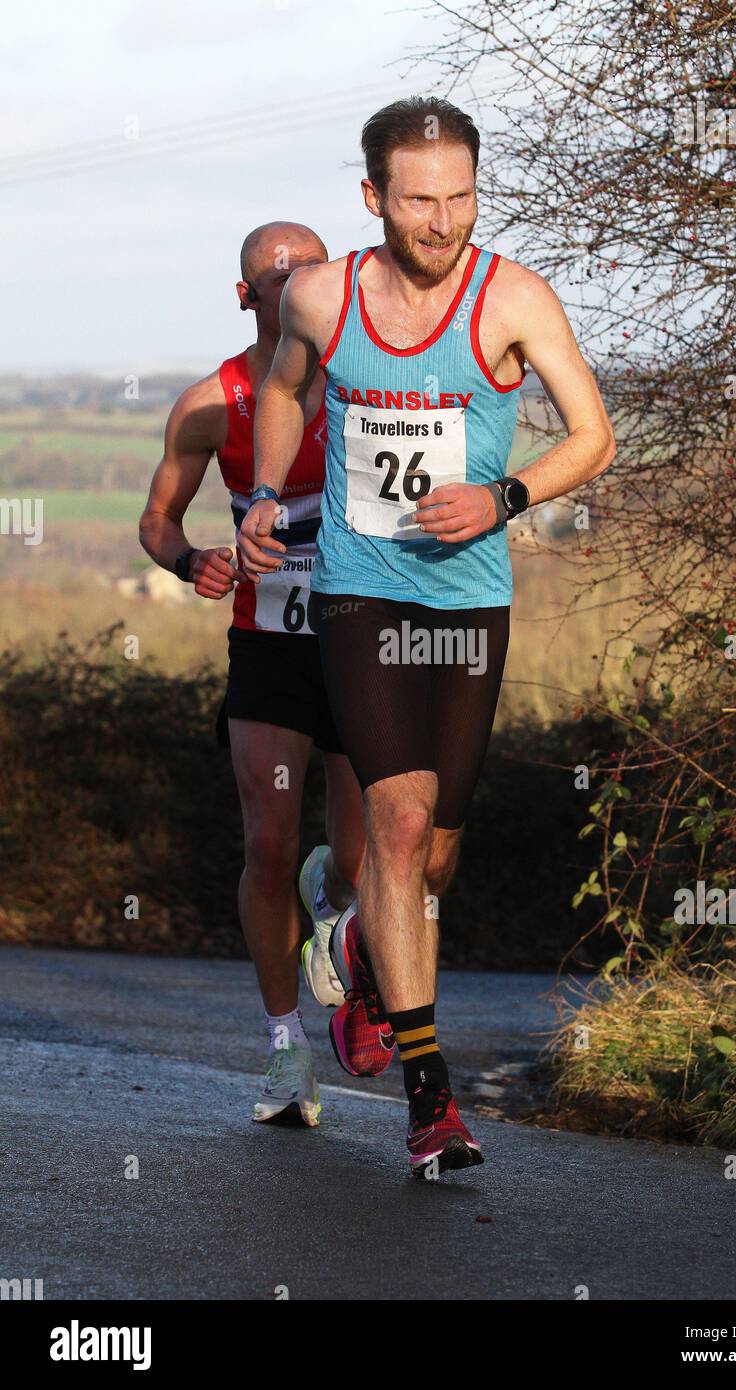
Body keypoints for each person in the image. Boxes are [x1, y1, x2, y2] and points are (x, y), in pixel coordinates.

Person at [238, 100, 616, 1176]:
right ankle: (429, 1101)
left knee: (435, 855)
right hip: (361, 591)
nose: (442, 220)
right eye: (418, 200)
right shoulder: (323, 294)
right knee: (396, 827)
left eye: (459, 196)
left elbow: (592, 434)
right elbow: (283, 386)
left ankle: (359, 937)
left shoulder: (512, 298)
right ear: (373, 199)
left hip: (467, 598)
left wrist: (502, 495)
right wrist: (264, 492)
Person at [139, 221, 368, 1130]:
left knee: (356, 863)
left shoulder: (362, 385)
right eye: (276, 273)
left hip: (358, 641)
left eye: (309, 266)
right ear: (246, 296)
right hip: (268, 647)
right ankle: (286, 1052)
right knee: (265, 846)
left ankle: (332, 899)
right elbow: (157, 519)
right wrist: (188, 558)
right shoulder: (211, 403)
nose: (294, 281)